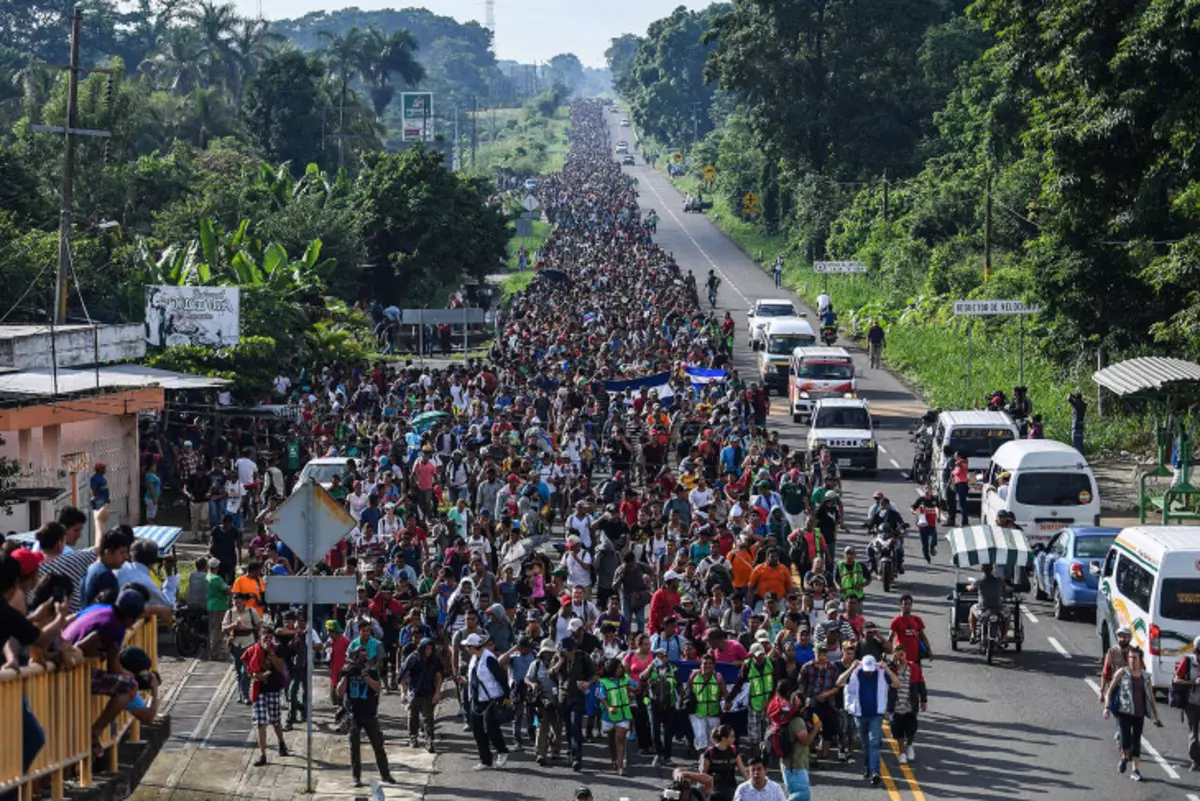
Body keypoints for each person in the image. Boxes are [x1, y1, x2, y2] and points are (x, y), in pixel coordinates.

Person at [336, 641, 396, 787]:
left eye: (363, 657)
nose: (361, 661)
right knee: (354, 748)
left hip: (369, 714)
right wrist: (345, 675)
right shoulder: (348, 670)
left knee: (378, 746)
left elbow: (377, 688)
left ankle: (385, 774)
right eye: (358, 657)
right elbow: (339, 692)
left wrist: (366, 677)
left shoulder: (371, 670)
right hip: (353, 715)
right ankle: (356, 777)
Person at [1103, 647, 1164, 781]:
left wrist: (1156, 716)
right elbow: (1110, 690)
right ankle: (1124, 757)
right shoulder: (1121, 673)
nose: (1132, 660)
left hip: (1139, 714)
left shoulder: (1146, 677)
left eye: (1135, 658)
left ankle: (1135, 770)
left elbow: (1151, 698)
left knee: (1136, 741)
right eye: (1130, 657)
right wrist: (1107, 707)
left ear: (1140, 660)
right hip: (1124, 713)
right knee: (1125, 740)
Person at [841, 654, 897, 786]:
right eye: (867, 670)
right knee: (865, 744)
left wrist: (887, 669)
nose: (869, 673)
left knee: (874, 743)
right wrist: (851, 668)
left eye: (871, 670)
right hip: (860, 715)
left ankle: (875, 772)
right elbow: (839, 682)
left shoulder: (881, 673)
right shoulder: (855, 672)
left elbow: (897, 683)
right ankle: (867, 767)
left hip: (875, 715)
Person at [464, 631, 512, 770]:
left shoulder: (489, 659)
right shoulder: (474, 659)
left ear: (473, 647)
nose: (466, 648)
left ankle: (502, 751)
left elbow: (501, 678)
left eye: (468, 646)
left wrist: (506, 696)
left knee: (491, 729)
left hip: (491, 699)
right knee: (478, 731)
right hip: (476, 699)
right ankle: (485, 760)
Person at [243, 630, 290, 766]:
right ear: (260, 638)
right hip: (259, 690)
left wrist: (271, 653)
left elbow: (280, 668)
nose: (268, 640)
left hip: (273, 689)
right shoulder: (254, 650)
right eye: (265, 638)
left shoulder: (277, 649)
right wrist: (257, 676)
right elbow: (250, 671)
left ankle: (281, 742)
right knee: (260, 723)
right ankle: (263, 754)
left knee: (275, 720)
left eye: (270, 638)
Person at [397, 637, 443, 752]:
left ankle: (429, 740)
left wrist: (437, 692)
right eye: (426, 649)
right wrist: (403, 692)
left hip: (429, 691)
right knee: (412, 717)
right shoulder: (412, 659)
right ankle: (413, 737)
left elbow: (439, 676)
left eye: (430, 649)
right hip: (414, 692)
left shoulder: (435, 659)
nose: (428, 651)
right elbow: (403, 676)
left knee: (429, 717)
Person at [887, 646, 927, 765]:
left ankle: (909, 745)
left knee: (911, 730)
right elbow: (885, 672)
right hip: (897, 705)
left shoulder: (913, 667)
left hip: (910, 705)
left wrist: (923, 700)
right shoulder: (892, 668)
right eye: (897, 654)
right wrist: (891, 662)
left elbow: (921, 683)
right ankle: (902, 753)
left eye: (902, 654)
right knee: (899, 731)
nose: (900, 657)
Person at [688, 653, 728, 751]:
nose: (707, 666)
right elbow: (688, 691)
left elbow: (725, 693)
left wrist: (727, 703)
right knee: (700, 737)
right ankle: (702, 761)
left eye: (710, 664)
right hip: (697, 713)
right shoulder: (694, 676)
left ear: (714, 665)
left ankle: (711, 762)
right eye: (704, 663)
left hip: (714, 713)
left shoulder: (718, 677)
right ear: (700, 665)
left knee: (713, 740)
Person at [967, 564, 1008, 643]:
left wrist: (967, 587)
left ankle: (973, 634)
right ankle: (1004, 637)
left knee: (972, 609)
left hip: (982, 609)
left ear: (982, 569)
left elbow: (970, 588)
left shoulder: (979, 581)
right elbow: (1008, 589)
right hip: (998, 609)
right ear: (992, 569)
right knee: (1007, 615)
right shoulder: (999, 580)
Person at [910, 486, 939, 563]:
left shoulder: (934, 499)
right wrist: (916, 513)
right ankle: (927, 557)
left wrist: (938, 516)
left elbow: (938, 507)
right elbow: (912, 508)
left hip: (932, 523)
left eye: (929, 490)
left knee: (934, 539)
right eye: (926, 490)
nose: (927, 492)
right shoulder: (921, 500)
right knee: (924, 543)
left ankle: (932, 547)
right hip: (922, 525)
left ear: (931, 491)